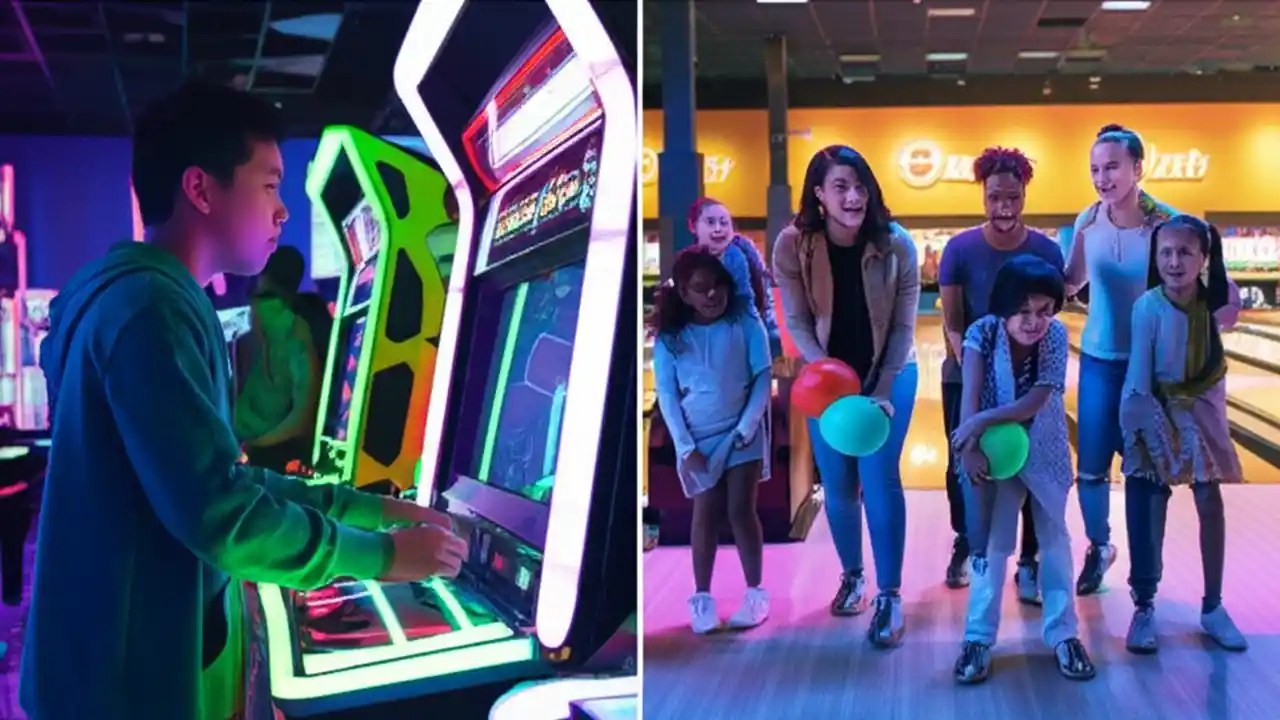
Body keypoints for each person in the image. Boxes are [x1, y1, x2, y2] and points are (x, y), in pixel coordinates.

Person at [20, 80, 469, 720]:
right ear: (201, 190)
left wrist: (368, 510)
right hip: (126, 683)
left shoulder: (152, 299)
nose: (282, 212)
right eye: (269, 184)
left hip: (127, 659)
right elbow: (219, 514)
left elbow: (218, 481)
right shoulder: (150, 309)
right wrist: (385, 555)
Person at [1065, 124, 1240, 596]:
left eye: (1112, 167)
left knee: (1147, 471)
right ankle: (1099, 546)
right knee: (1091, 467)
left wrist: (1221, 309)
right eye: (1095, 169)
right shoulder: (1088, 220)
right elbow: (1071, 280)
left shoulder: (1166, 223)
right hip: (1101, 360)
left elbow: (1213, 285)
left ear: (1138, 168)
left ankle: (1149, 577)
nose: (1103, 178)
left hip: (1155, 369)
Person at [773, 145, 920, 647]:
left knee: (879, 477)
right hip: (827, 374)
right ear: (819, 194)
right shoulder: (793, 246)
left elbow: (903, 328)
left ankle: (890, 595)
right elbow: (794, 319)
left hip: (891, 371)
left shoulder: (897, 244)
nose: (854, 196)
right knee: (836, 482)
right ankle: (853, 575)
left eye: (861, 186)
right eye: (841, 186)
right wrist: (829, 375)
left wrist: (877, 391)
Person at [950, 255, 1095, 684]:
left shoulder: (1053, 337)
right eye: (1024, 310)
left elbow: (1037, 401)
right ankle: (977, 637)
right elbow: (971, 397)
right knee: (993, 543)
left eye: (1045, 311)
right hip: (995, 450)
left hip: (1043, 445)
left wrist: (977, 424)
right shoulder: (982, 332)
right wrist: (970, 447)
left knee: (1055, 538)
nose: (1034, 321)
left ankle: (1064, 633)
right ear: (1004, 305)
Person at [938, 147, 1064, 599]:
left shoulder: (1046, 250)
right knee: (964, 466)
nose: (1004, 207)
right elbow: (953, 320)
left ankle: (1028, 558)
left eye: (1013, 197)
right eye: (995, 197)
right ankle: (967, 541)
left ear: (1024, 194)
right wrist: (982, 364)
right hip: (967, 370)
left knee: (1027, 467)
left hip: (1027, 379)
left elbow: (1048, 313)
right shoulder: (959, 249)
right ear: (983, 195)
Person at [1118, 214, 1248, 654]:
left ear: (1204, 257)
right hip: (1153, 406)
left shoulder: (1215, 303)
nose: (1175, 261)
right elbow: (1139, 372)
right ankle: (1145, 606)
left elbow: (1230, 311)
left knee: (1210, 501)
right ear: (1156, 258)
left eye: (1186, 252)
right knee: (1149, 502)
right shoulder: (1148, 307)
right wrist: (1141, 422)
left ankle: (1213, 607)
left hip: (1203, 411)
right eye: (1166, 253)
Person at [652, 246, 772, 634]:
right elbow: (667, 397)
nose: (711, 295)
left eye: (716, 286)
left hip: (743, 431)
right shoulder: (670, 339)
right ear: (683, 293)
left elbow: (761, 377)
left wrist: (746, 427)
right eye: (700, 289)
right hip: (698, 439)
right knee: (705, 514)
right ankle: (701, 598)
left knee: (740, 510)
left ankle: (756, 594)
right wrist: (686, 449)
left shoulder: (745, 323)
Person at [235, 245, 320, 472]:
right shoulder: (298, 328)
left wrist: (254, 446)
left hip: (265, 453)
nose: (257, 308)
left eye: (265, 299)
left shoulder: (295, 332)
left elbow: (301, 421)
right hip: (254, 447)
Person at [687, 197, 782, 357]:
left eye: (724, 223)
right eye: (710, 222)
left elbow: (745, 303)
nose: (718, 229)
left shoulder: (735, 256)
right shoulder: (694, 260)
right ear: (692, 226)